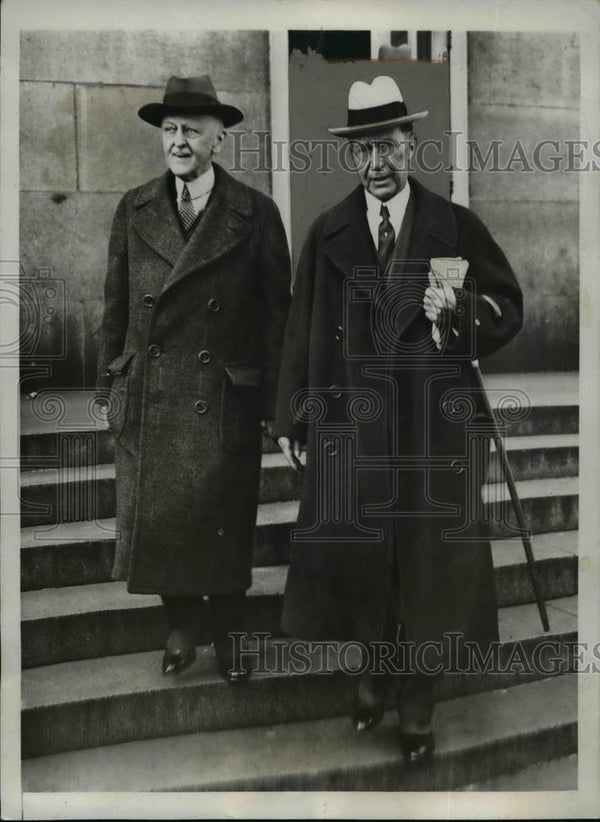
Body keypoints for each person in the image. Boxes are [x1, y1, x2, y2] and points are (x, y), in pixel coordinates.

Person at [273, 76, 523, 764]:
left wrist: (460, 314)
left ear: (411, 144)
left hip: (435, 432)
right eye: (363, 150)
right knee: (367, 564)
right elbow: (299, 328)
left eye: (387, 145)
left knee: (428, 571)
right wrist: (293, 418)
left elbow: (506, 309)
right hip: (354, 430)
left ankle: (418, 704)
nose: (376, 162)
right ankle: (375, 674)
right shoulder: (328, 232)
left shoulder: (454, 227)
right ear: (350, 155)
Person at [96, 75, 291, 683]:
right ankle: (180, 623)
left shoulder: (256, 213)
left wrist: (278, 404)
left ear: (219, 138)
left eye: (192, 131)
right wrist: (107, 388)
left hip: (223, 397)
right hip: (149, 396)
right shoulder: (134, 208)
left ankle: (230, 633)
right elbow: (115, 307)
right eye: (170, 130)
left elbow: (277, 318)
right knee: (160, 519)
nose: (178, 142)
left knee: (223, 522)